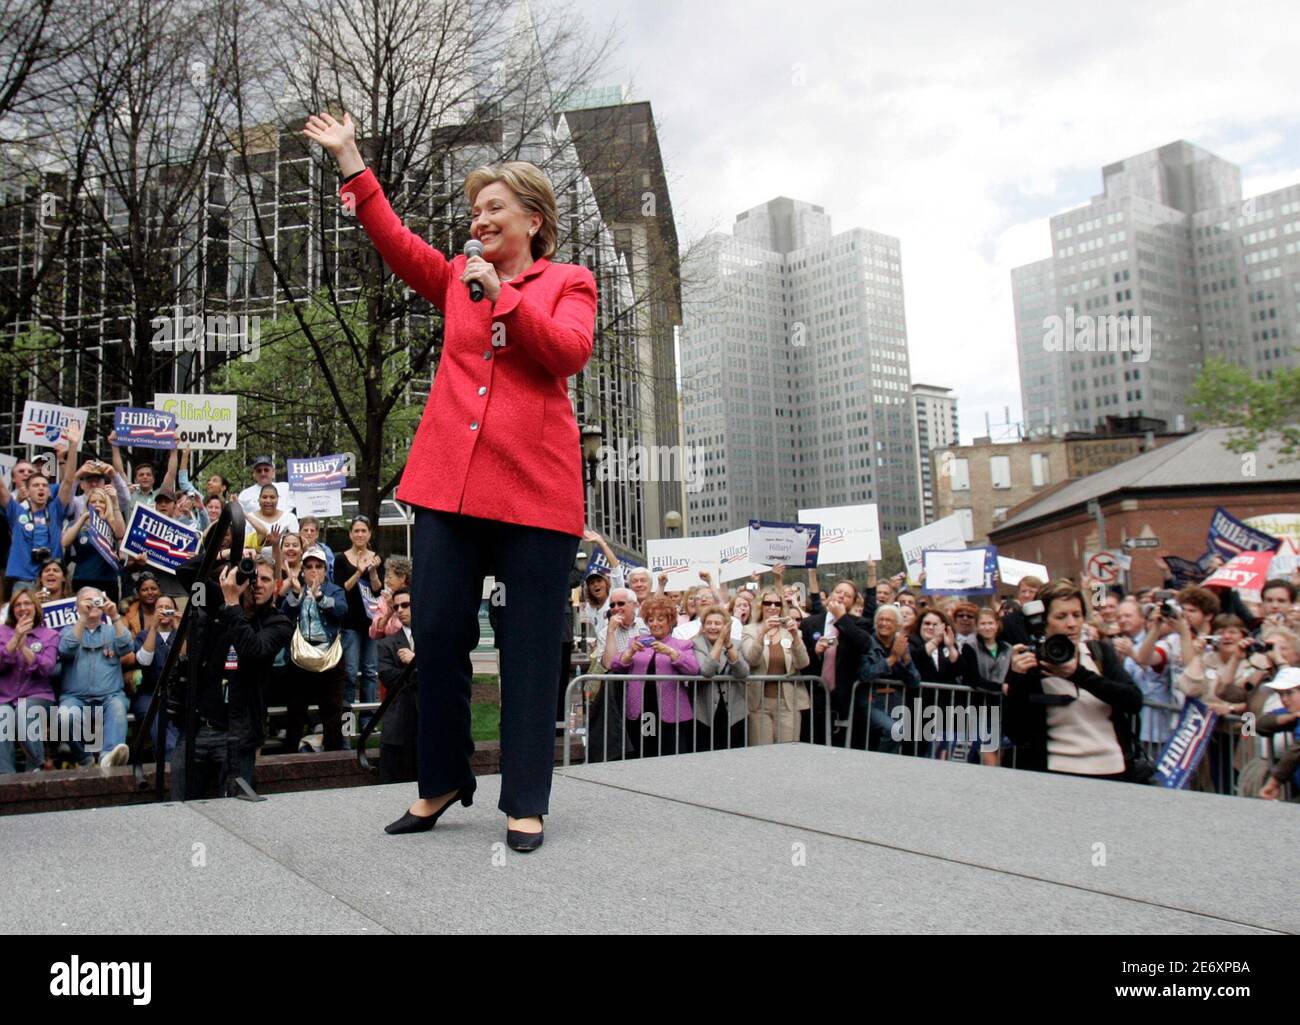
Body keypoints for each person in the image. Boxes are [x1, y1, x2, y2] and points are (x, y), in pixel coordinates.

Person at [310, 110, 596, 850]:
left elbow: (566, 352)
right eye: (474, 211)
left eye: (494, 207)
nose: (479, 218)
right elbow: (394, 239)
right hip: (449, 489)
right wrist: (350, 161)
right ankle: (441, 781)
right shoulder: (452, 279)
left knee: (531, 648)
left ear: (533, 219)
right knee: (435, 634)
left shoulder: (568, 281)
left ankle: (524, 798)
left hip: (535, 493)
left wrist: (500, 295)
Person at [171, 557, 292, 798]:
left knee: (236, 812)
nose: (258, 585)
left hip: (237, 733)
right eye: (253, 578)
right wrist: (226, 555)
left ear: (275, 586)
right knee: (180, 807)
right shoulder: (217, 602)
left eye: (265, 579)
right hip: (197, 728)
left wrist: (233, 604)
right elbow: (186, 572)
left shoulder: (278, 622)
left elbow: (254, 648)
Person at [1003, 579, 1144, 780]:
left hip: (1113, 771)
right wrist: (1018, 679)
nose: (1071, 624)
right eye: (1061, 616)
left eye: (1077, 615)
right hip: (1056, 773)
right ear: (1043, 621)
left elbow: (1133, 700)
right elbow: (1017, 732)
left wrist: (1078, 674)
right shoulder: (1031, 663)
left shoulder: (1099, 652)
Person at [609, 593, 698, 757]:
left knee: (672, 756)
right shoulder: (636, 641)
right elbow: (615, 665)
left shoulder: (682, 644)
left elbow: (693, 669)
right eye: (651, 620)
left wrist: (670, 652)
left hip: (671, 713)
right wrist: (629, 653)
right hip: (641, 711)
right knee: (644, 754)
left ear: (670, 621)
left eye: (660, 619)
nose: (655, 624)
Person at [57, 586, 134, 768]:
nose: (92, 604)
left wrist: (115, 616)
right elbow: (65, 649)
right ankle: (85, 758)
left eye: (96, 600)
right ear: (77, 606)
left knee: (117, 708)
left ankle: (109, 756)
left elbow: (127, 646)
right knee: (65, 716)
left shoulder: (111, 630)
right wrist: (83, 618)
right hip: (75, 698)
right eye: (87, 600)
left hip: (110, 696)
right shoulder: (68, 630)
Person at [281, 545, 348, 754]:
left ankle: (334, 754)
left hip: (329, 656)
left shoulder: (334, 590)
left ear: (325, 568)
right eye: (309, 566)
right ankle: (291, 753)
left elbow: (342, 611)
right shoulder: (297, 587)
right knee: (295, 708)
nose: (313, 570)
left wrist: (320, 597)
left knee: (332, 708)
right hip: (300, 657)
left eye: (318, 566)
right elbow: (285, 616)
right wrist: (295, 595)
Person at [1, 425, 80, 595]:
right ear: (27, 490)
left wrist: (72, 447)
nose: (41, 488)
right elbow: (1, 487)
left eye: (44, 485)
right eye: (36, 485)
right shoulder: (16, 511)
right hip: (22, 581)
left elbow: (68, 481)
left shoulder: (56, 510)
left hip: (51, 580)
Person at [0, 588, 61, 773]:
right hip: (5, 697)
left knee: (23, 711)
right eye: (18, 604)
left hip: (37, 695)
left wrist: (24, 648)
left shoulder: (50, 635)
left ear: (36, 607)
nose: (23, 607)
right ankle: (6, 777)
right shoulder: (2, 632)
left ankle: (37, 767)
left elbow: (47, 668)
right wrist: (16, 638)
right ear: (12, 610)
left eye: (27, 603)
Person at [741, 588, 810, 745]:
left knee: (788, 751)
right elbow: (751, 659)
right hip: (759, 703)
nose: (773, 607)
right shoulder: (749, 630)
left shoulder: (792, 632)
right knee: (761, 752)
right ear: (760, 606)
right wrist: (762, 632)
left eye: (777, 603)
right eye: (768, 603)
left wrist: (795, 637)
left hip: (787, 702)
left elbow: (803, 663)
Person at [334, 514, 383, 706]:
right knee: (350, 671)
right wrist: (359, 571)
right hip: (349, 623)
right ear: (350, 534)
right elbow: (341, 588)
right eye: (356, 531)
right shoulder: (341, 559)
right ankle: (347, 717)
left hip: (371, 622)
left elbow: (378, 590)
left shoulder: (377, 558)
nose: (360, 534)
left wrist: (372, 572)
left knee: (370, 671)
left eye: (364, 531)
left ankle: (367, 719)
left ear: (370, 534)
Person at [958, 607, 1012, 766]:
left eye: (990, 623)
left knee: (997, 751)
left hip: (1000, 707)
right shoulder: (970, 646)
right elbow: (972, 678)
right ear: (977, 626)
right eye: (983, 623)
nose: (987, 627)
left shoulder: (1007, 648)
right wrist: (1000, 687)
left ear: (997, 625)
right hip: (978, 706)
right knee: (986, 752)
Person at [691, 604, 749, 751]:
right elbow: (706, 671)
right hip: (705, 711)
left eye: (717, 623)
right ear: (703, 626)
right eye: (709, 623)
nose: (713, 627)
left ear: (726, 626)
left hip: (734, 710)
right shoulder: (696, 644)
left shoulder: (736, 644)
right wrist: (720, 641)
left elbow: (742, 673)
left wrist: (728, 644)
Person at [376, 587, 418, 782]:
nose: (400, 610)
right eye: (396, 606)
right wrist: (421, 671)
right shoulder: (387, 644)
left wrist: (415, 661)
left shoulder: (433, 639)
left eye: (405, 605)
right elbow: (388, 677)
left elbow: (443, 673)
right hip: (399, 724)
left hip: (429, 725)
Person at [131, 594, 180, 759]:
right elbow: (144, 661)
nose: (164, 610)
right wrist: (153, 628)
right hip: (149, 694)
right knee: (157, 725)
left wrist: (181, 630)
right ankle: (171, 758)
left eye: (168, 607)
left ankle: (174, 758)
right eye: (160, 607)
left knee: (177, 730)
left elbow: (188, 659)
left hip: (176, 695)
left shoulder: (181, 635)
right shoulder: (143, 636)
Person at [61, 486, 125, 602]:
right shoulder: (80, 526)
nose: (97, 505)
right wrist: (83, 518)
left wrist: (115, 503)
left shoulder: (112, 524)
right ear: (87, 505)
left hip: (108, 581)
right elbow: (65, 542)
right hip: (83, 579)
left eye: (101, 502)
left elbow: (121, 535)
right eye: (93, 502)